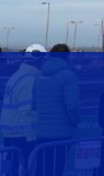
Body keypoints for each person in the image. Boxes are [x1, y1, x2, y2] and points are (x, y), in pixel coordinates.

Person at [33, 44, 80, 176]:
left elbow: (34, 103)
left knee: (42, 169)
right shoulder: (68, 76)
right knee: (57, 169)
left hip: (42, 133)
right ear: (67, 57)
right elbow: (73, 105)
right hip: (61, 133)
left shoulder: (39, 76)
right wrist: (75, 122)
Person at [0, 44, 45, 175]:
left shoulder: (16, 76)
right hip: (22, 137)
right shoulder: (29, 80)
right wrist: (32, 139)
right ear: (38, 61)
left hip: (10, 134)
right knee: (23, 170)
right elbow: (27, 112)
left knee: (11, 170)